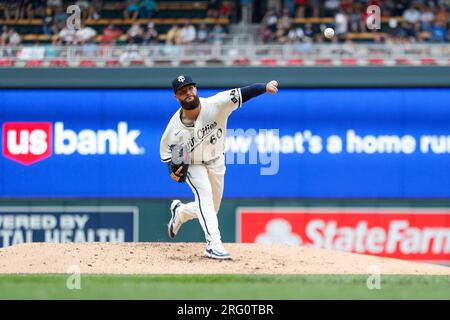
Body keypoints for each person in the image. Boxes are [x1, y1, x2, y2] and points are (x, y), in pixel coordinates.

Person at [159, 75, 279, 260]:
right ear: (177, 97)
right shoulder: (173, 130)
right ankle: (213, 245)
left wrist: (265, 87)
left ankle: (181, 212)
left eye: (190, 88)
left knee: (211, 209)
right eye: (182, 91)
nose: (188, 93)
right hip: (193, 163)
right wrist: (174, 169)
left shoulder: (216, 104)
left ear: (196, 89)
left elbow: (243, 93)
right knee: (204, 196)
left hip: (216, 160)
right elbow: (168, 155)